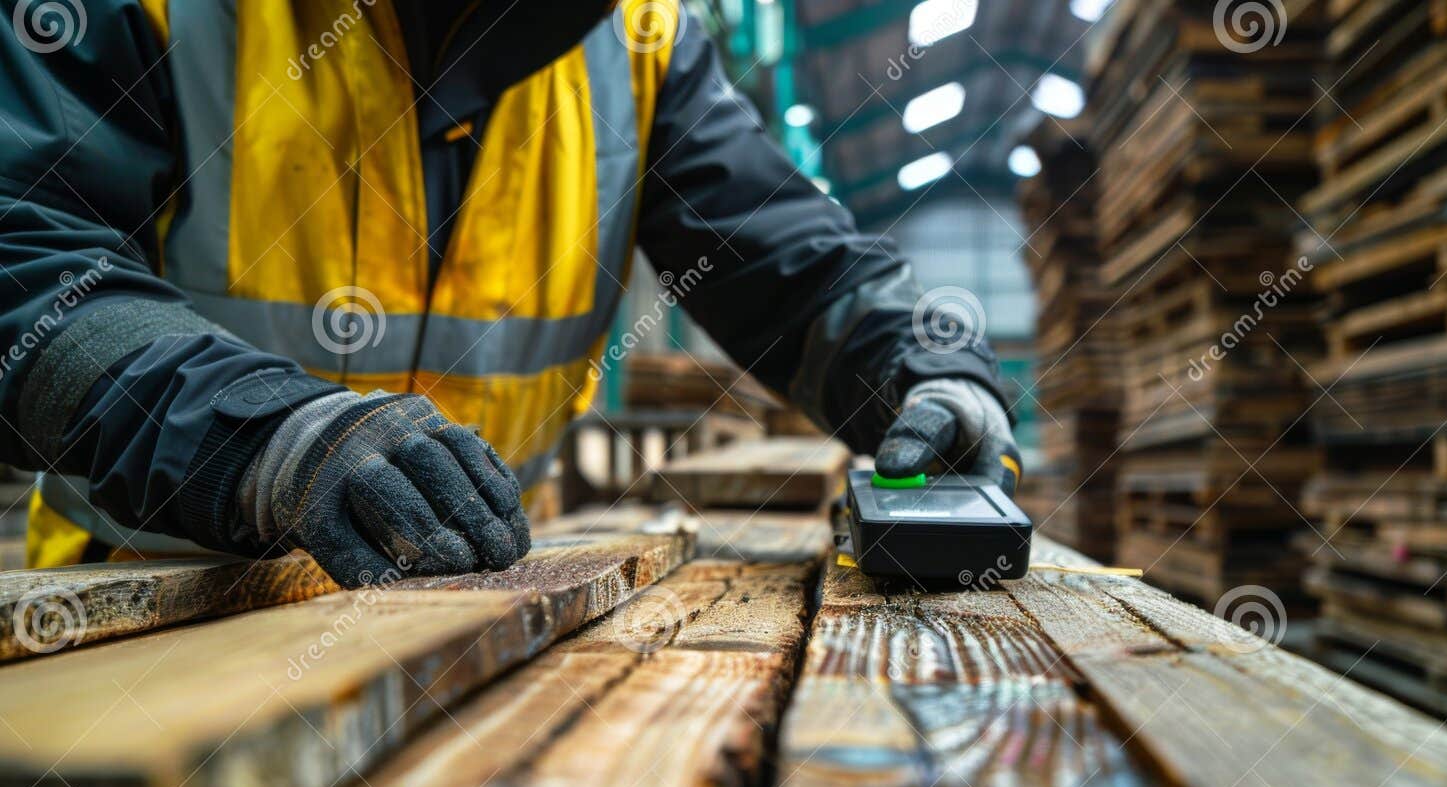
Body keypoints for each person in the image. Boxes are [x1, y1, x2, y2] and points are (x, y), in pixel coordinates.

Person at [0, 0, 1020, 588]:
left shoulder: (638, 46)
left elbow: (790, 265)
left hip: (474, 600)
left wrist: (925, 371)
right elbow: (22, 251)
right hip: (153, 605)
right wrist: (263, 438)